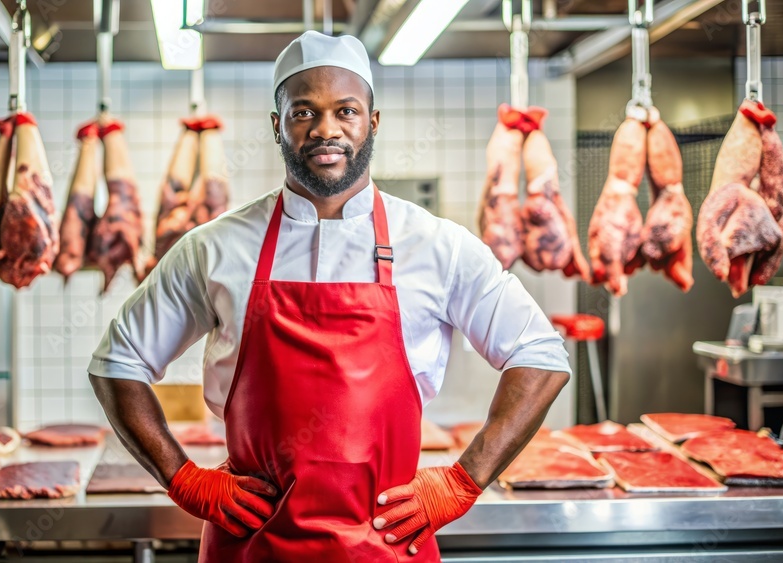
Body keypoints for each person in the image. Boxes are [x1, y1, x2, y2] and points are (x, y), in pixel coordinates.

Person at [89, 30, 571, 562]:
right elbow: (117, 361)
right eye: (303, 113)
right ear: (278, 126)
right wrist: (183, 479)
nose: (326, 130)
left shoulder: (436, 244)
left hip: (389, 544)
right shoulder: (216, 247)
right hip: (251, 545)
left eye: (346, 111)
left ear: (373, 121)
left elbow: (540, 356)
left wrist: (465, 479)